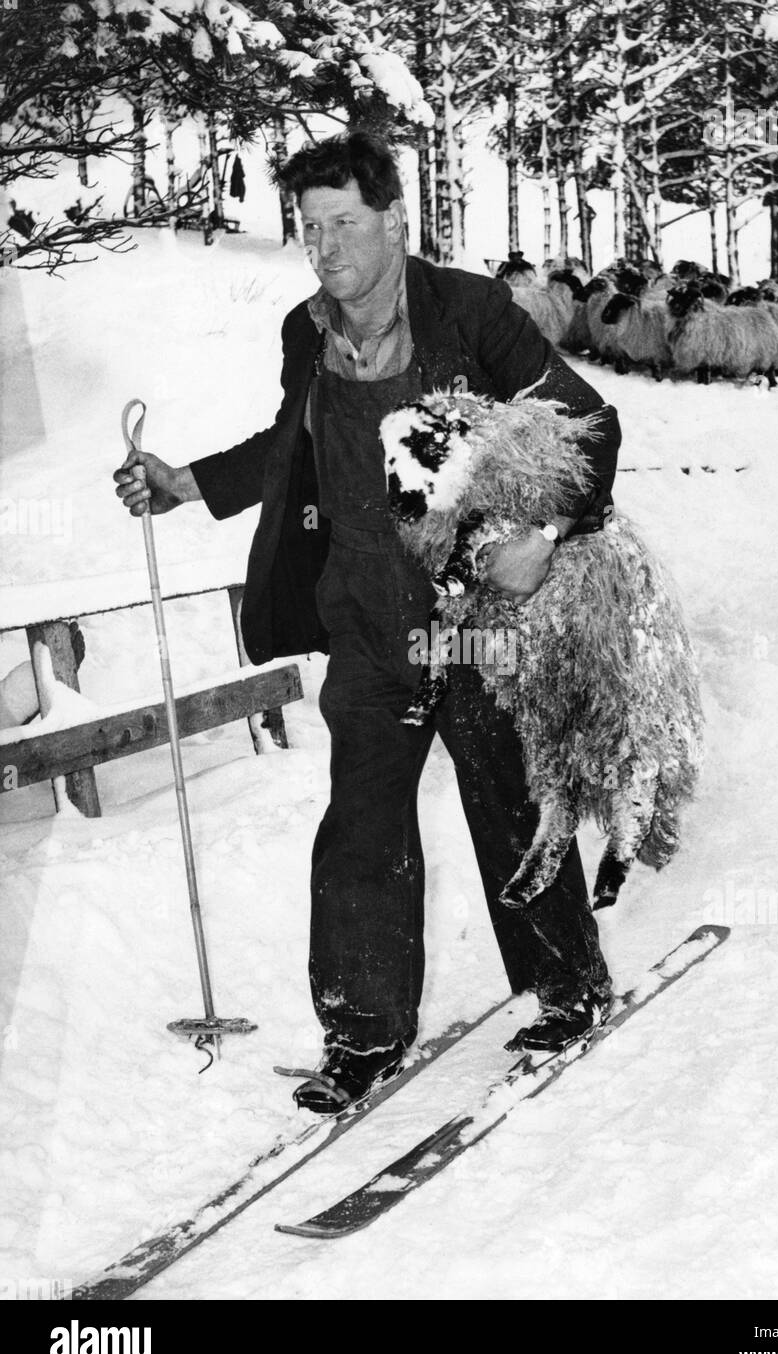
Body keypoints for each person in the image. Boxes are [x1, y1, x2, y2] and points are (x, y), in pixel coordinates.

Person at [114, 131, 622, 1114]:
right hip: (369, 627)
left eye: (344, 222)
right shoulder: (309, 332)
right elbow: (290, 442)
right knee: (360, 834)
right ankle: (364, 1033)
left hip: (475, 618)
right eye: (310, 228)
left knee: (511, 807)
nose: (326, 245)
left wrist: (548, 530)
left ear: (395, 217)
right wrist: (188, 485)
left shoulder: (468, 313)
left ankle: (568, 990)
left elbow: (586, 424)